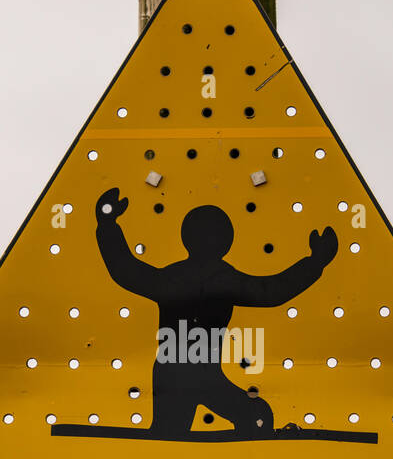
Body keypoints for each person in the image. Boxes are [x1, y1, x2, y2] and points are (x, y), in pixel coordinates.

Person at [95, 187, 338, 437]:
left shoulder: (173, 278)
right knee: (256, 416)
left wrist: (107, 223)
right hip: (200, 377)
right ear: (227, 241)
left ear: (185, 237)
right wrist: (314, 263)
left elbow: (125, 270)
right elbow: (272, 291)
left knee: (170, 434)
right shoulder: (225, 279)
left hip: (178, 374)